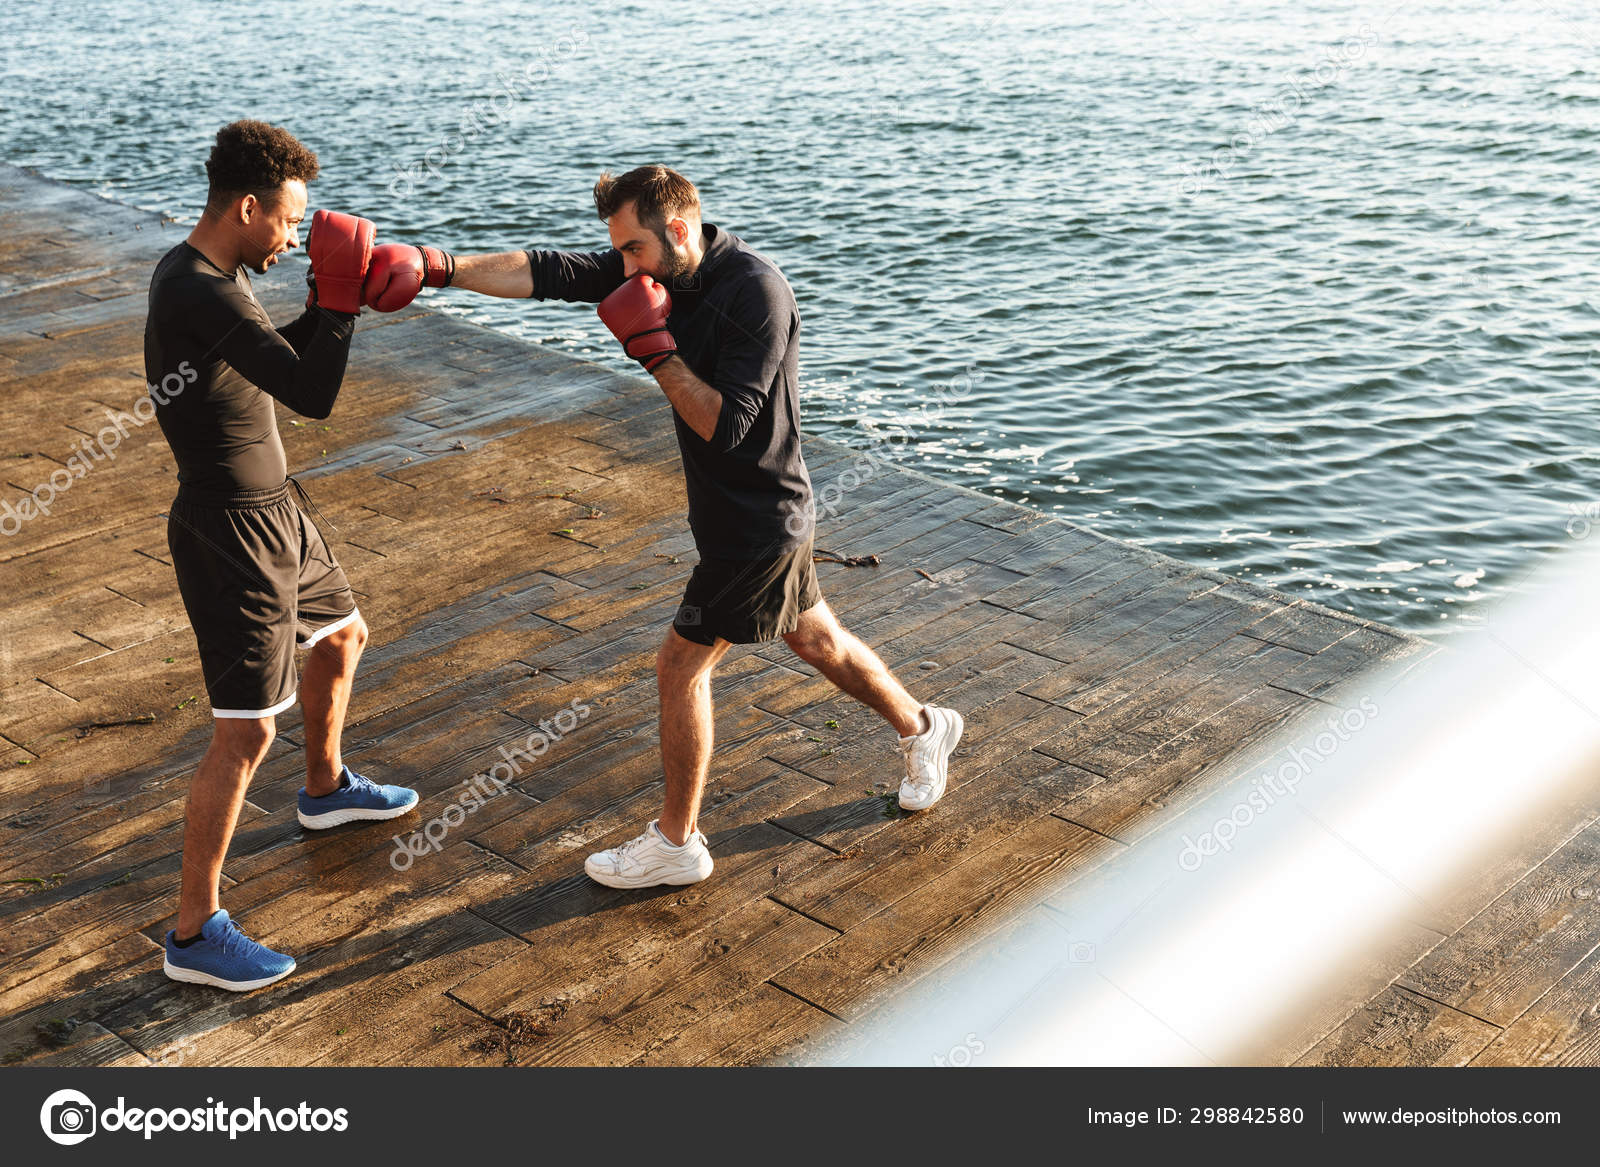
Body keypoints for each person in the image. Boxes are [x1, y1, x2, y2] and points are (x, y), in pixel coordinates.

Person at [371, 165, 961, 890]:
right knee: (816, 638)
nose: (622, 267)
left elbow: (729, 427)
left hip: (759, 520)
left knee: (679, 666)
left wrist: (653, 350)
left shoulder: (756, 293)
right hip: (735, 516)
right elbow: (548, 271)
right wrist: (441, 268)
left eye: (631, 251)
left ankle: (676, 842)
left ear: (677, 231)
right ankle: (924, 727)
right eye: (617, 251)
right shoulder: (659, 270)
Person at [144, 120, 417, 990]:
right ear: (248, 206)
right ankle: (193, 932)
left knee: (342, 637)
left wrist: (336, 307)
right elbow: (314, 391)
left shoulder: (216, 278)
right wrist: (337, 299)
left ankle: (326, 785)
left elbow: (277, 356)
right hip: (230, 531)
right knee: (245, 730)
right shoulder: (195, 288)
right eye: (288, 223)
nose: (294, 238)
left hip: (277, 511)